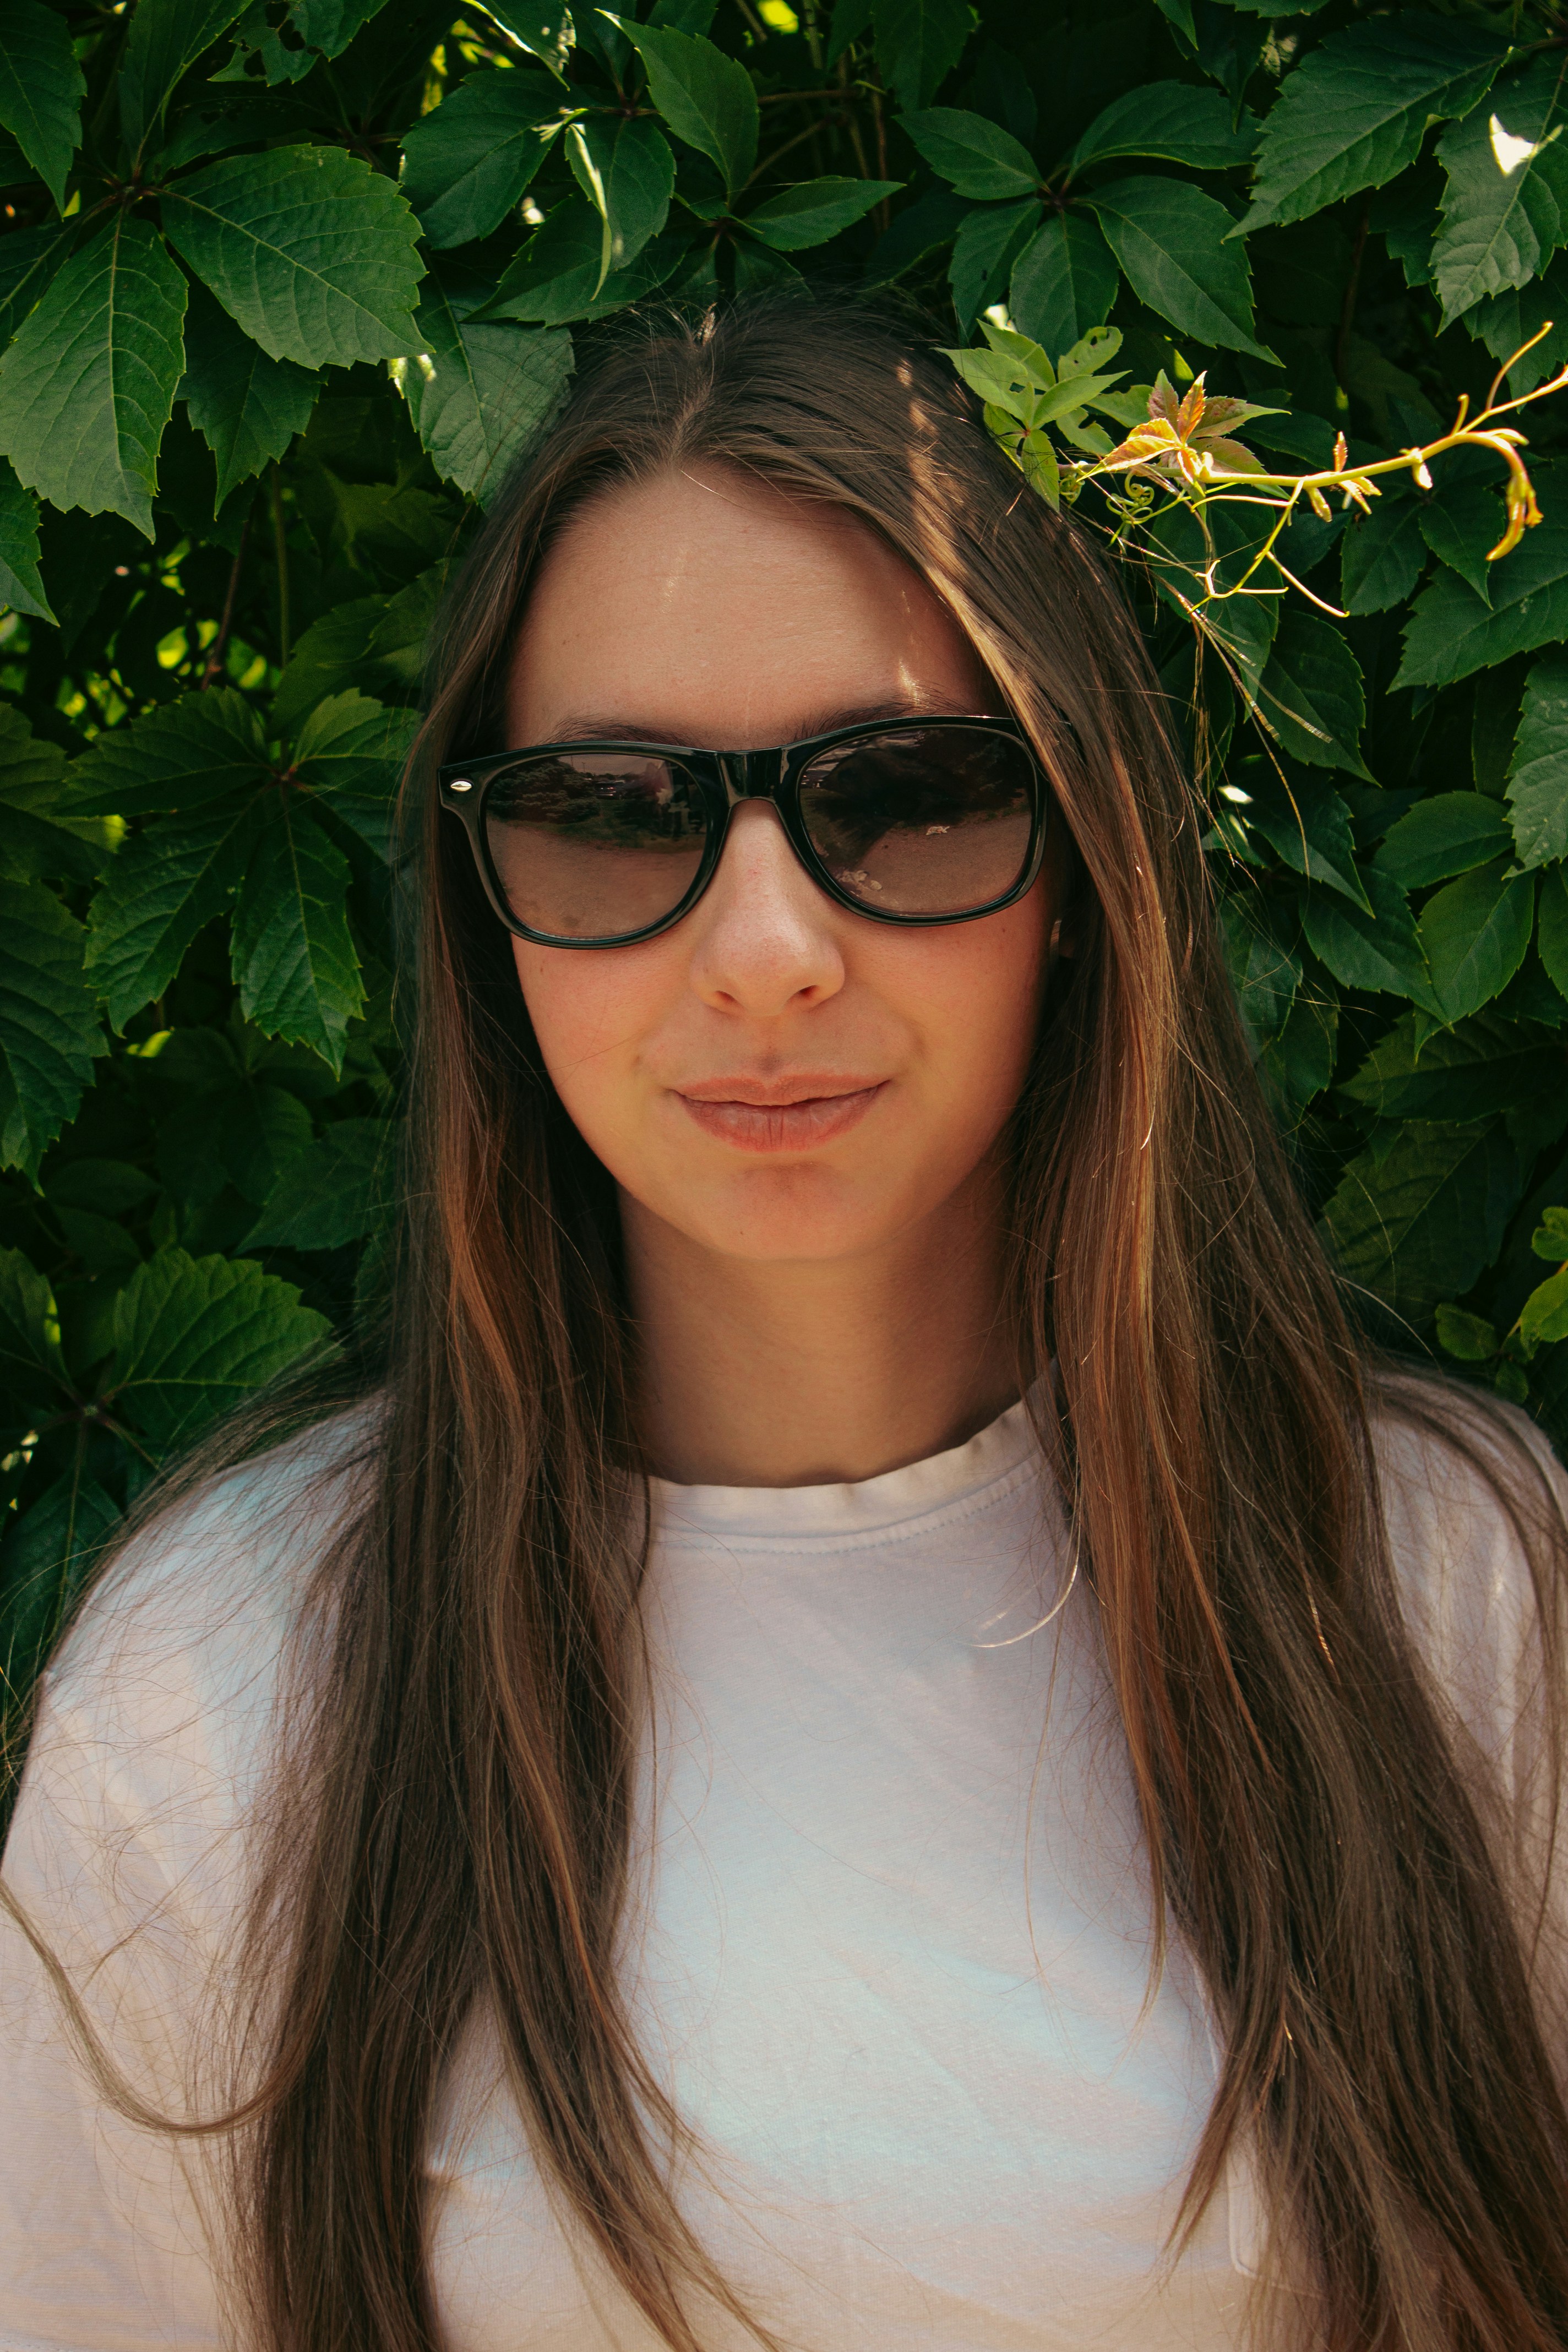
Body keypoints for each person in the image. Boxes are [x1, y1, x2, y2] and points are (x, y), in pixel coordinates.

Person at [2, 294, 1566, 2352]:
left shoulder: (1455, 1579)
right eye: (617, 812)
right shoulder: (230, 1678)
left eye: (904, 791)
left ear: (1085, 856)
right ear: (484, 898)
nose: (763, 954)